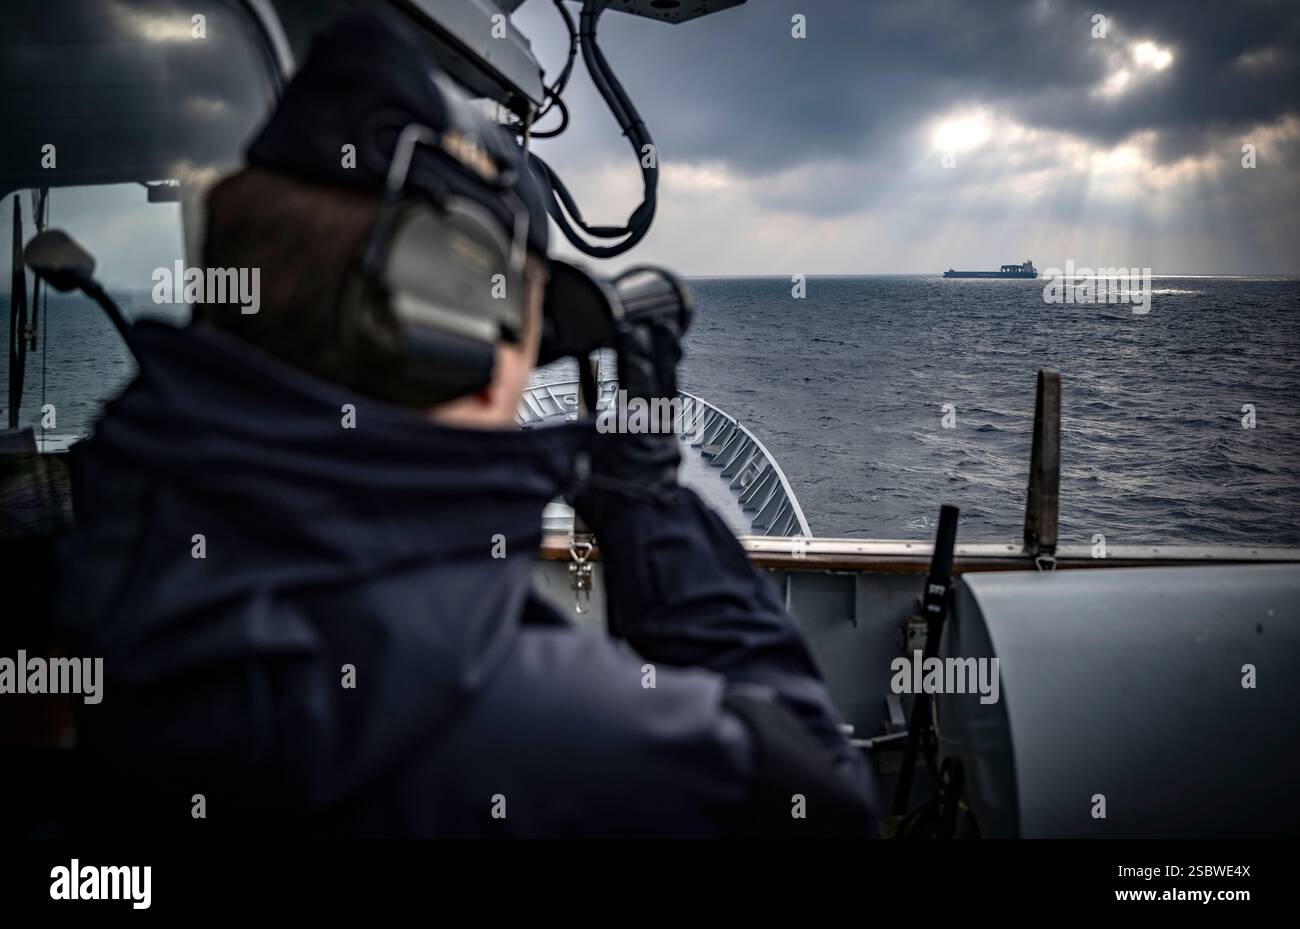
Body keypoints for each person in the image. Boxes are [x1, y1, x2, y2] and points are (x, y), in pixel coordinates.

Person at [57, 10, 874, 837]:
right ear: (449, 331)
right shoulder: (508, 719)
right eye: (525, 326)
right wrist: (646, 502)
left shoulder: (106, 551)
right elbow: (823, 797)